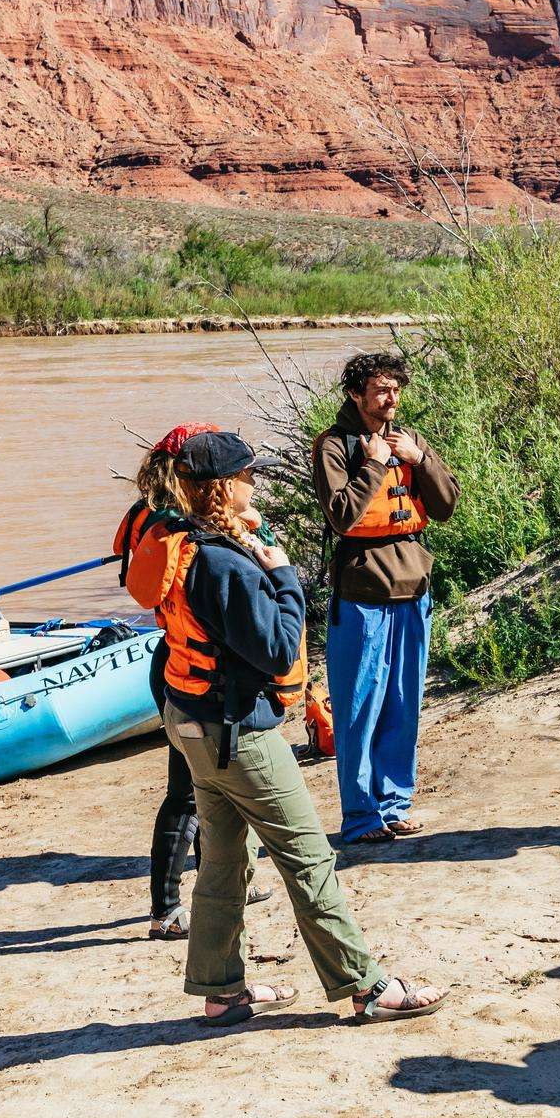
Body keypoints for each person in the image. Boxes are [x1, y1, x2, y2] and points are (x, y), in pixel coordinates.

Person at [123, 428, 448, 1025]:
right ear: (223, 488)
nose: (256, 484)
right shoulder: (226, 564)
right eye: (249, 476)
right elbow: (276, 650)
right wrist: (287, 579)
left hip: (191, 726)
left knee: (223, 862)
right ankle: (367, 987)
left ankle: (221, 991)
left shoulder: (179, 543)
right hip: (239, 736)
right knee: (307, 858)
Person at [112, 422, 271, 940]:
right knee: (187, 790)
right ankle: (164, 909)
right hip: (190, 662)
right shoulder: (188, 523)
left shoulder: (153, 518)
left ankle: (219, 881)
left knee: (210, 786)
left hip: (174, 652)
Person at [311, 351, 460, 845]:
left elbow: (446, 506)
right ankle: (360, 816)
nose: (391, 399)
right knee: (358, 708)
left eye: (396, 390)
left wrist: (423, 461)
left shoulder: (411, 439)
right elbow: (341, 516)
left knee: (404, 703)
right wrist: (374, 465)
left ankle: (395, 805)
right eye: (381, 390)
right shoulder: (333, 447)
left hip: (414, 588)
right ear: (357, 394)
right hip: (361, 593)